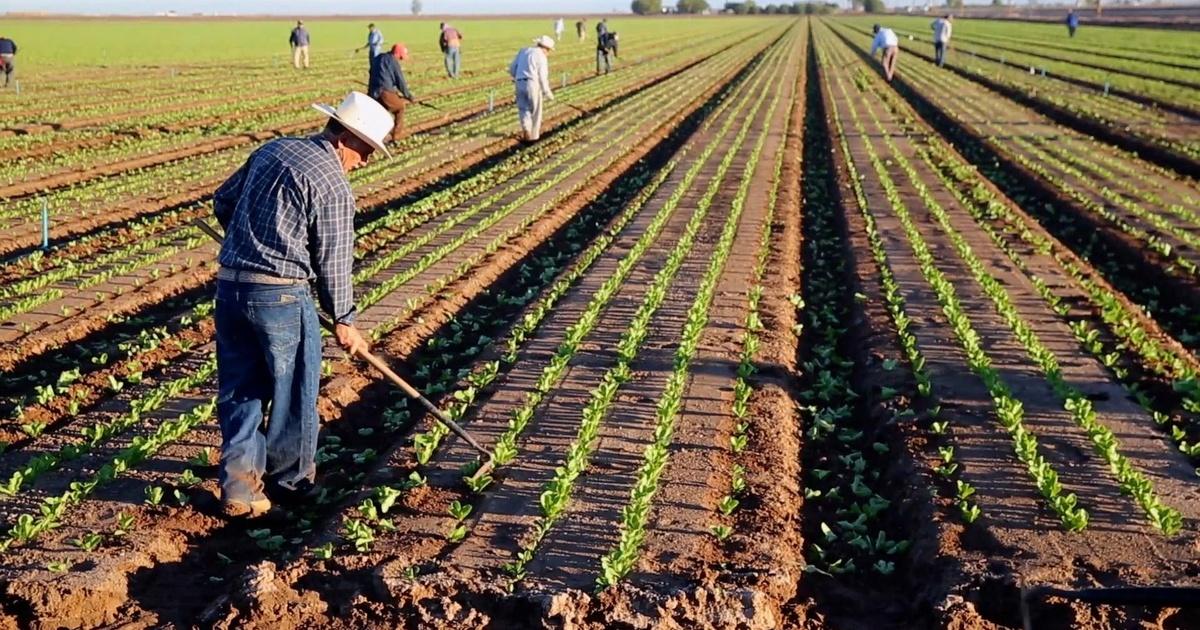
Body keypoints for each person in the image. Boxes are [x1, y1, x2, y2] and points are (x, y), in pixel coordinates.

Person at [211, 91, 390, 518]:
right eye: (365, 150)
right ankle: (291, 483)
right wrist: (344, 319)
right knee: (295, 389)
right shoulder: (332, 183)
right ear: (346, 137)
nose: (364, 161)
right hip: (281, 295)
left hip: (231, 287)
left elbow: (223, 201)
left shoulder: (272, 150)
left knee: (240, 388)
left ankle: (239, 487)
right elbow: (333, 261)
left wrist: (250, 242)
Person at [509, 36, 555, 142]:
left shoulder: (523, 51)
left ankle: (526, 130)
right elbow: (542, 77)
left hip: (519, 82)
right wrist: (547, 93)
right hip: (533, 84)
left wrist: (517, 76)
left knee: (523, 109)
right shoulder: (541, 56)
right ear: (546, 48)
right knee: (535, 111)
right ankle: (534, 138)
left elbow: (512, 68)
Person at [368, 43, 415, 143]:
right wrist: (408, 96)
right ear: (398, 54)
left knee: (381, 112)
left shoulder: (377, 58)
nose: (401, 59)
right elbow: (400, 81)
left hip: (373, 92)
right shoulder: (393, 61)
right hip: (385, 92)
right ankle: (396, 136)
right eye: (402, 56)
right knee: (400, 108)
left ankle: (376, 135)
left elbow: (371, 73)